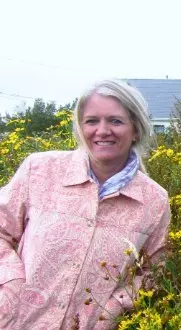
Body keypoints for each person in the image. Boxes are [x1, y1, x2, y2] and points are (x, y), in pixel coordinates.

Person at [0, 79, 170, 329]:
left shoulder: (154, 200)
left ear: (136, 129)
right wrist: (12, 284)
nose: (103, 130)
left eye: (115, 121)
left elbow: (153, 272)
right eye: (92, 121)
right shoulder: (39, 170)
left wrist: (113, 308)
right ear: (80, 128)